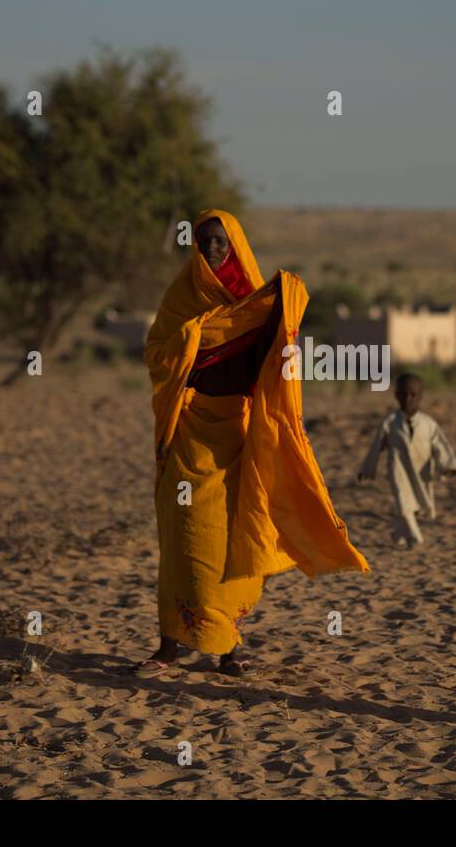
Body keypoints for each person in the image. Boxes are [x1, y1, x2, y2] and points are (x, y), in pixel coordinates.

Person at [139, 209, 369, 676]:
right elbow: (159, 355)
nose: (213, 249)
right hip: (190, 435)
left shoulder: (258, 301)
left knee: (234, 543)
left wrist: (266, 314)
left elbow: (277, 349)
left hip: (241, 434)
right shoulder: (181, 297)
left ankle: (229, 647)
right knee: (184, 543)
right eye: (204, 240)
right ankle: (168, 648)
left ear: (237, 244)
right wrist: (198, 335)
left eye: (221, 241)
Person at [356, 373, 456, 548]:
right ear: (396, 395)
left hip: (421, 471)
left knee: (416, 506)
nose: (408, 399)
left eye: (413, 394)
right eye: (403, 394)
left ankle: (398, 532)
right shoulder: (390, 422)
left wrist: (448, 466)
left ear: (421, 396)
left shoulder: (428, 424)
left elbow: (440, 445)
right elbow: (376, 446)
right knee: (404, 503)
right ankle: (415, 537)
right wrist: (368, 469)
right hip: (399, 472)